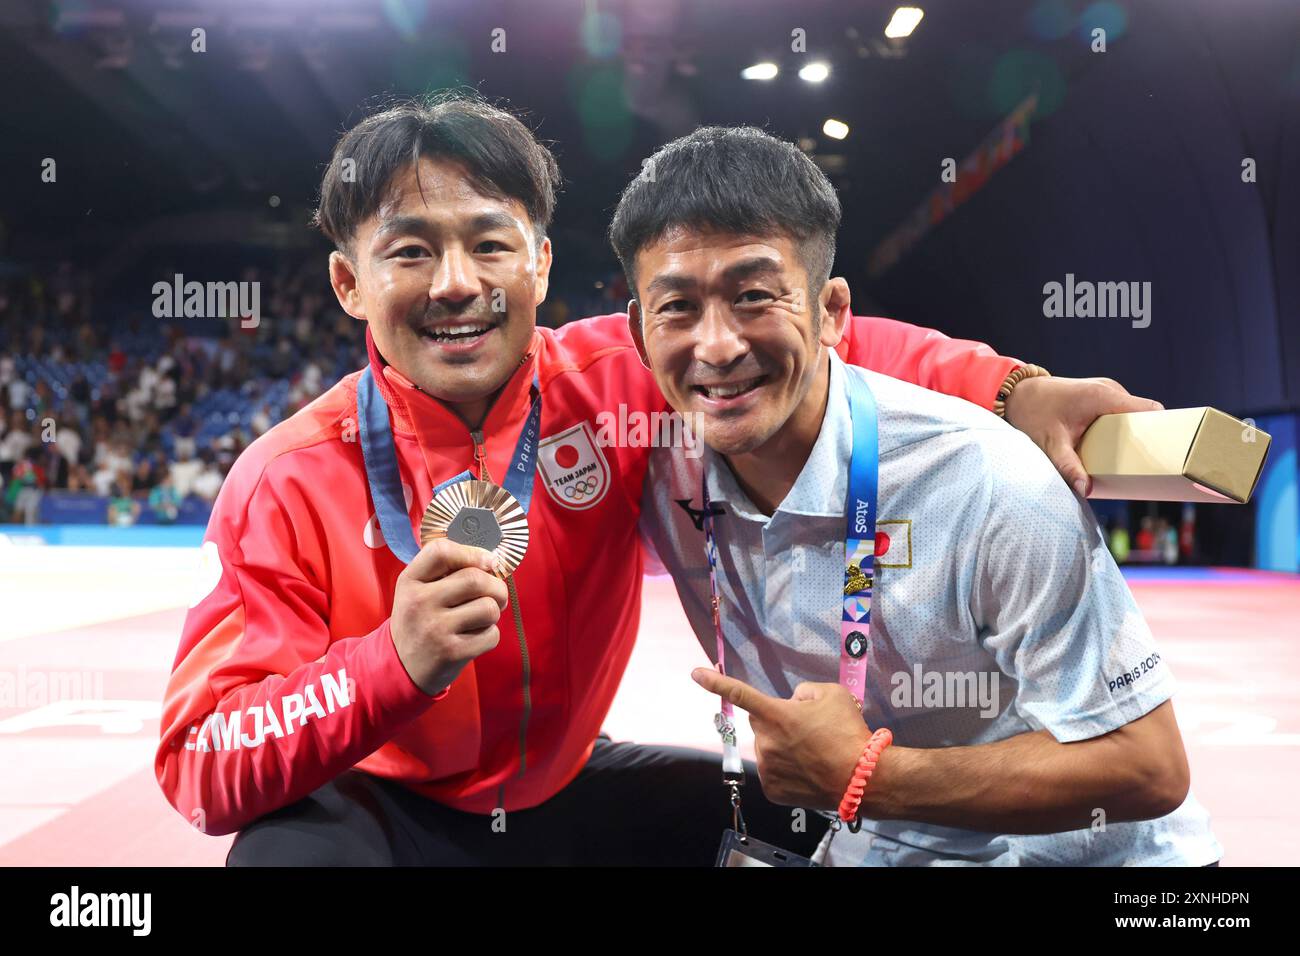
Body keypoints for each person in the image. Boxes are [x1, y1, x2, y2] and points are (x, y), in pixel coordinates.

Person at [155, 93, 1159, 866]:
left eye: (489, 242)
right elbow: (198, 760)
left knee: (809, 805)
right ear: (348, 281)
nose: (457, 280)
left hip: (562, 792)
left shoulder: (619, 375)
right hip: (382, 809)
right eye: (410, 250)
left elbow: (811, 344)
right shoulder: (286, 477)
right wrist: (390, 662)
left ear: (540, 264)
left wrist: (1011, 386)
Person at [620, 126, 1221, 866]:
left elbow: (1147, 766)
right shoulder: (648, 467)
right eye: (676, 307)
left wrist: (870, 778)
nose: (715, 346)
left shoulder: (987, 480)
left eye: (753, 296)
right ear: (639, 334)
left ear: (833, 312)